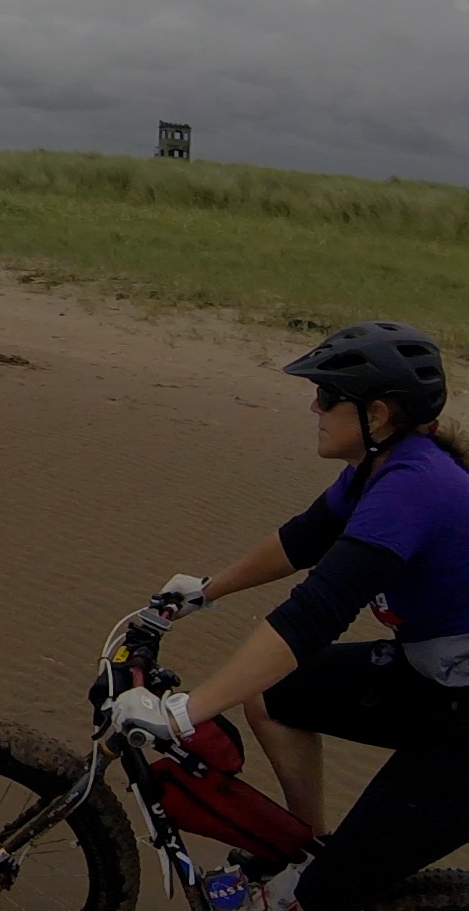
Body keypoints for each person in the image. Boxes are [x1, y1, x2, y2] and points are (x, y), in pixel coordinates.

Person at [112, 320, 469, 911]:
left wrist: (184, 713)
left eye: (328, 396)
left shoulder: (414, 488)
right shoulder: (380, 470)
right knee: (275, 696)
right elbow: (304, 540)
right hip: (436, 679)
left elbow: (314, 613)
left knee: (309, 902)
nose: (314, 406)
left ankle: (308, 890)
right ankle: (308, 849)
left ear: (377, 415)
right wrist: (205, 592)